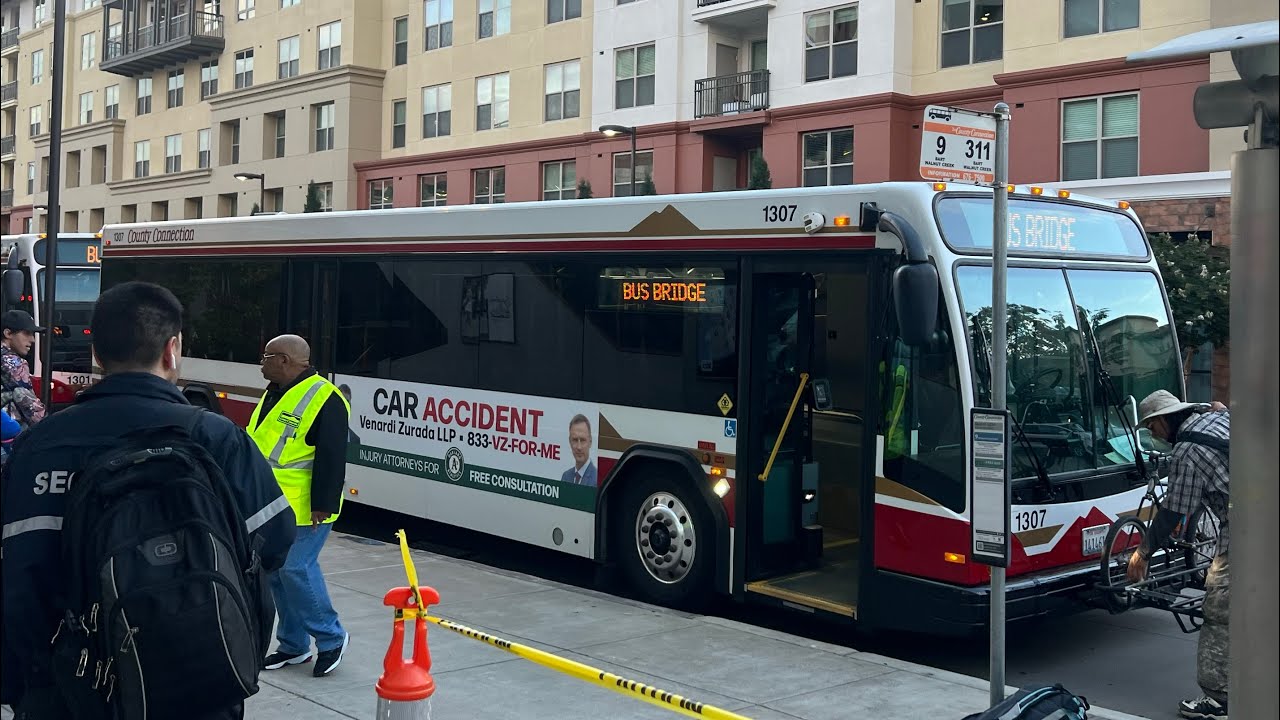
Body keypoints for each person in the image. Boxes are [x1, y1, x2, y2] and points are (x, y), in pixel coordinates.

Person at [0, 282, 296, 720]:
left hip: (64, 693)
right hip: (195, 684)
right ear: (172, 349)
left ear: (97, 354)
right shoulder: (216, 439)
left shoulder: (37, 449)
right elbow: (275, 541)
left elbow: (18, 573)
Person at [252, 334, 351, 677]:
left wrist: (321, 505)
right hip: (275, 505)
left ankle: (332, 637)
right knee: (277, 574)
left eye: (266, 357)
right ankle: (293, 647)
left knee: (296, 569)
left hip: (308, 509)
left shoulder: (327, 399)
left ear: (285, 360)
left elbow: (332, 456)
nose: (261, 363)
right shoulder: (275, 392)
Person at [1128, 389, 1230, 720]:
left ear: (1163, 421)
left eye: (1151, 428)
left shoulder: (1187, 451)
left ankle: (1220, 701)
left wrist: (1143, 552)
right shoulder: (1219, 417)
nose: (1153, 435)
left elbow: (1174, 511)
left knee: (1219, 611)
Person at [1, 309, 48, 431]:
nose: (32, 339)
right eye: (27, 333)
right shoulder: (14, 363)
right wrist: (51, 426)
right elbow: (28, 404)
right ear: (8, 333)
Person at [560, 414, 597, 487]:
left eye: (583, 440)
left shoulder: (596, 479)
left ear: (590, 442)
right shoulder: (566, 476)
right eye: (575, 440)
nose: (579, 447)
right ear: (570, 442)